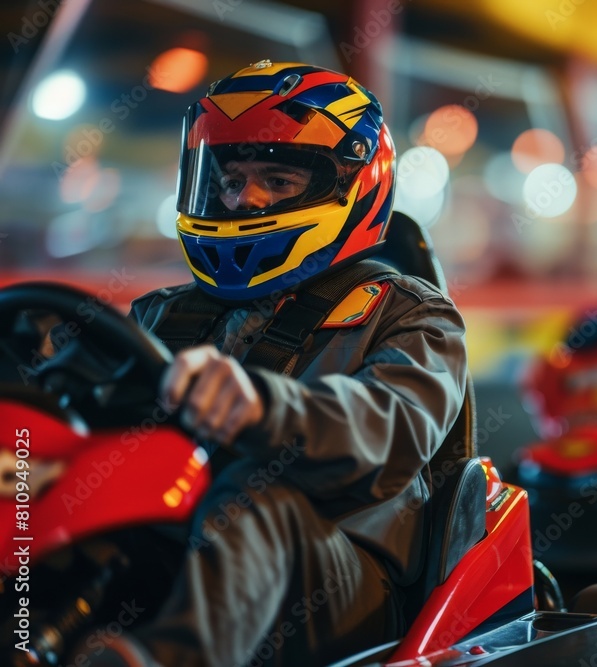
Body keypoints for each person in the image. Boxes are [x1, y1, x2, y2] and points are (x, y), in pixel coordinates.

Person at [74, 61, 468, 666]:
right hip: (175, 537)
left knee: (254, 495)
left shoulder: (411, 314)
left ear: (350, 186)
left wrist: (261, 406)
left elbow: (389, 431)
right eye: (233, 179)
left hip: (340, 577)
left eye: (278, 180)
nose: (244, 199)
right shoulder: (161, 315)